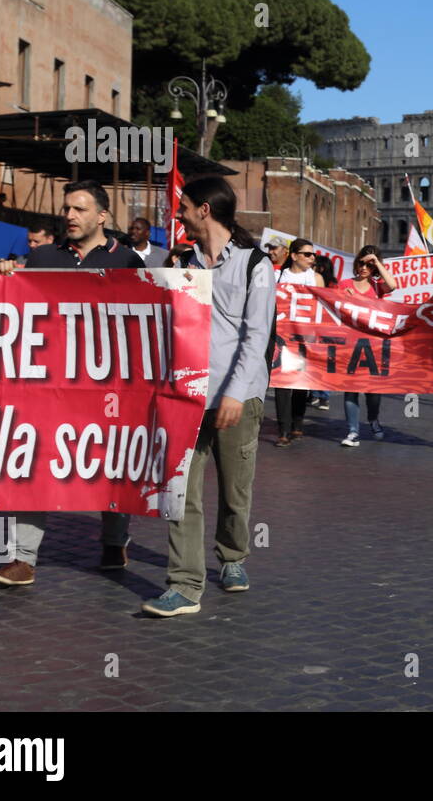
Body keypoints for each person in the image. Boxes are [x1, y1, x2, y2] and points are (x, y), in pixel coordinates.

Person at [0, 180, 145, 588]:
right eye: (67, 208)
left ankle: (113, 539)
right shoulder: (42, 258)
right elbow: (16, 309)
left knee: (110, 464)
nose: (69, 216)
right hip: (46, 383)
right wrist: (5, 276)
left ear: (102, 216)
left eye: (79, 209)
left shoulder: (128, 262)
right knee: (33, 461)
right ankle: (22, 559)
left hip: (107, 385)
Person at [142, 176, 275, 616]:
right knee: (181, 490)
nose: (176, 214)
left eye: (182, 207)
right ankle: (184, 584)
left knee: (236, 492)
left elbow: (256, 337)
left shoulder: (256, 264)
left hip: (239, 395)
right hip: (187, 394)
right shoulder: (180, 260)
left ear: (204, 209)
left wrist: (236, 393)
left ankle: (233, 556)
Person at [340, 244, 398, 446]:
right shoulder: (344, 284)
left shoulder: (376, 287)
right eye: (361, 263)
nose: (364, 267)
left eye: (369, 264)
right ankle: (353, 431)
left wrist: (378, 263)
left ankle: (373, 420)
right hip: (350, 343)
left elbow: (392, 285)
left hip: (373, 345)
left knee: (373, 391)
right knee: (351, 388)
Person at [272, 238, 324, 447]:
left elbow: (323, 304)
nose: (312, 258)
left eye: (313, 255)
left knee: (301, 383)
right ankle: (283, 429)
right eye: (307, 254)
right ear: (294, 256)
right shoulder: (278, 276)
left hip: (306, 337)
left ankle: (297, 423)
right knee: (281, 382)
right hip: (282, 337)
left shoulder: (316, 278)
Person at [307, 255, 339, 410]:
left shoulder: (333, 285)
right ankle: (314, 394)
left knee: (323, 363)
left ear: (322, 268)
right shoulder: (311, 281)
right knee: (312, 361)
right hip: (314, 327)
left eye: (315, 265)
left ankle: (324, 397)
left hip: (326, 329)